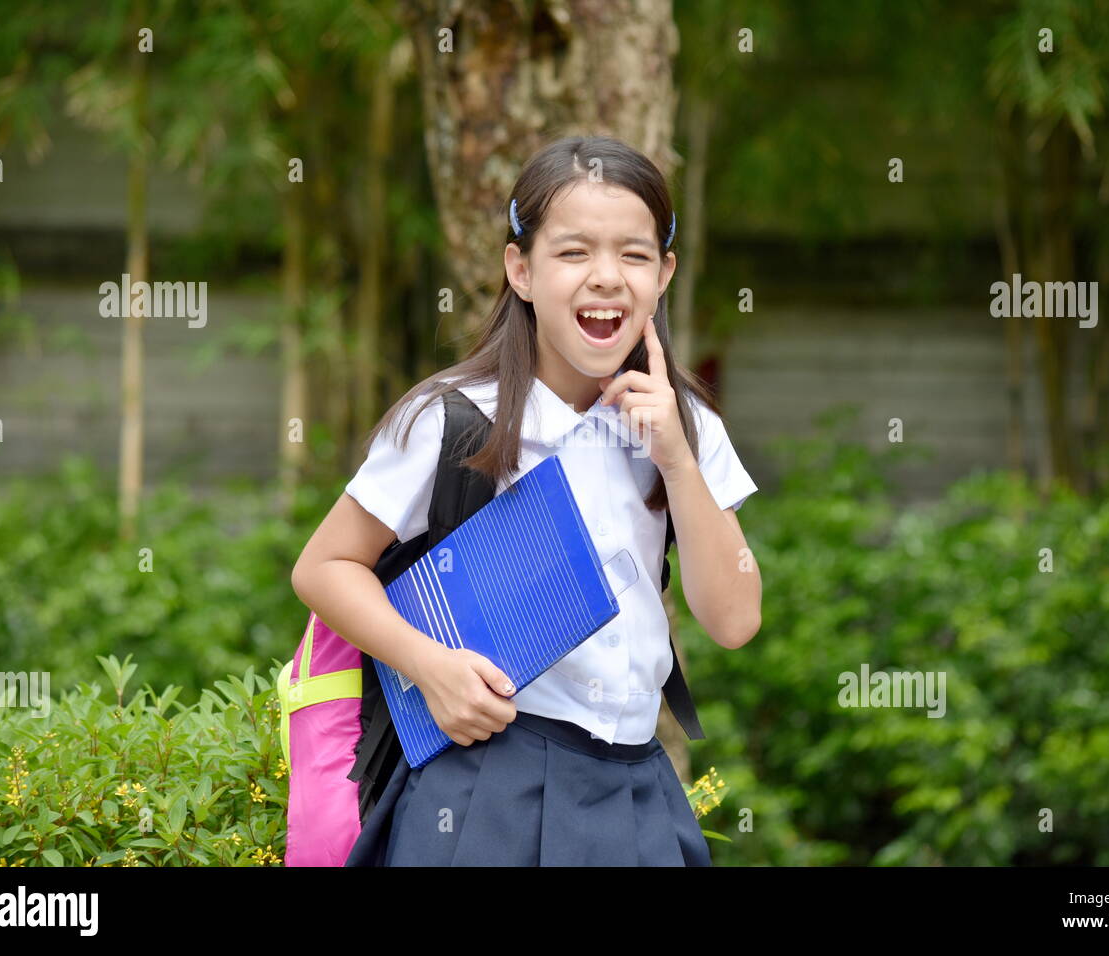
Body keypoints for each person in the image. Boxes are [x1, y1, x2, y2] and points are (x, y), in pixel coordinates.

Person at [291, 134, 762, 866]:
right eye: (573, 252)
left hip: (638, 791)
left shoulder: (687, 427)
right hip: (487, 790)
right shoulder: (453, 420)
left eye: (634, 255)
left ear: (664, 273)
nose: (607, 278)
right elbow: (322, 568)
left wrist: (675, 456)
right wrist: (430, 666)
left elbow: (734, 620)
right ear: (521, 270)